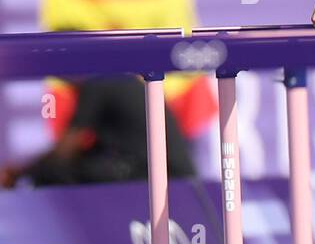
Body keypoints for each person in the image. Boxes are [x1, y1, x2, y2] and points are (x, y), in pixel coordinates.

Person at [0, 76, 195, 189]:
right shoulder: (113, 78)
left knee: (52, 171)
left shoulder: (98, 82)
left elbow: (66, 150)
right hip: (166, 171)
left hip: (162, 176)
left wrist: (20, 173)